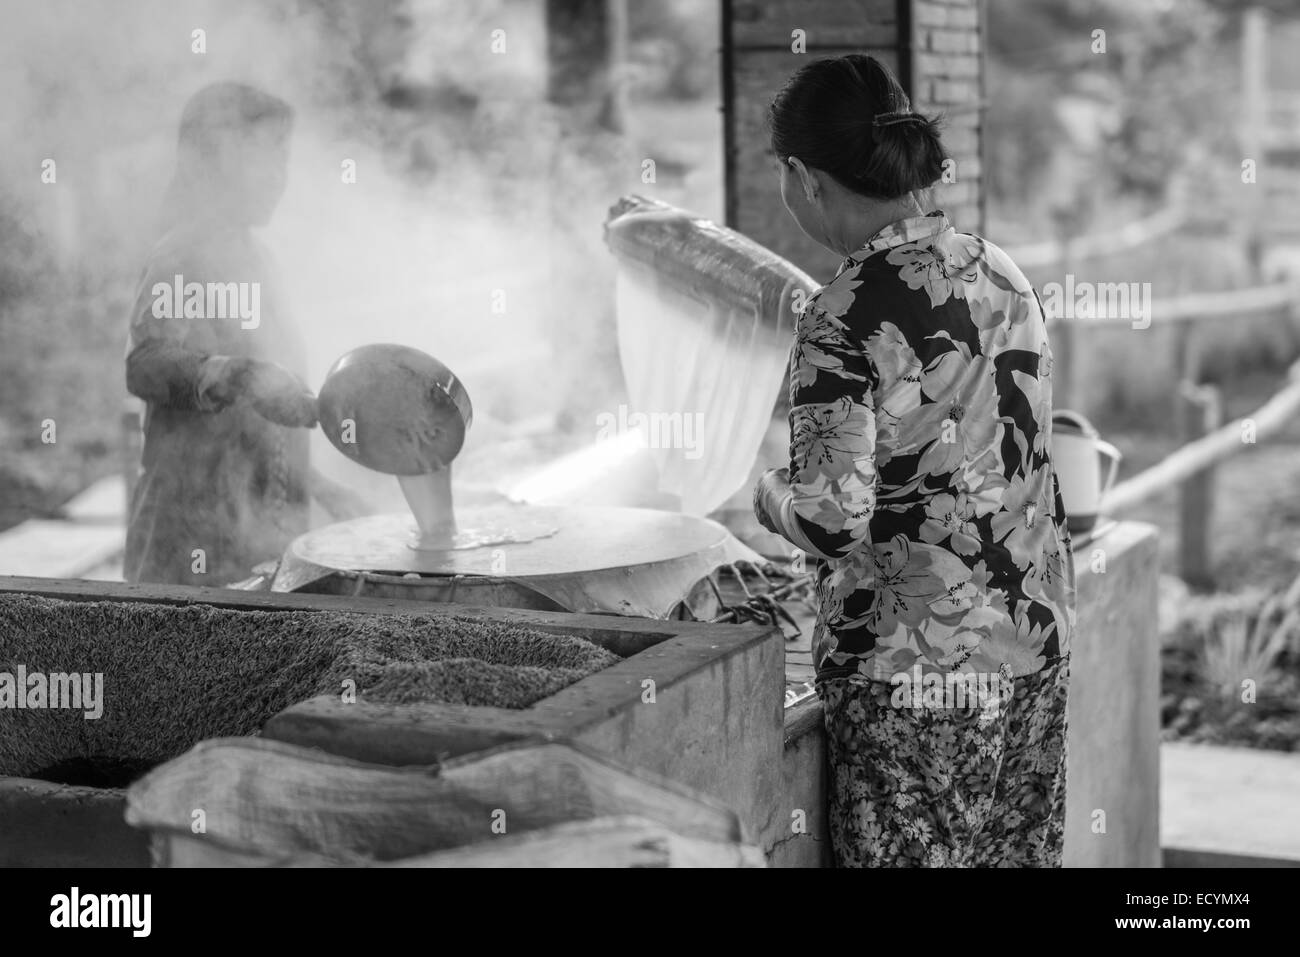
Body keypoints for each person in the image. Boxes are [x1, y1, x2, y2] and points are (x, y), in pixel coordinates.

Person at [753, 55, 1077, 867]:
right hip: (1033, 646)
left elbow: (832, 521)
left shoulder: (842, 313)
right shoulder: (1002, 273)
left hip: (913, 680)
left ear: (803, 175)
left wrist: (770, 500)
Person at [125, 82, 363, 586]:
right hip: (191, 556)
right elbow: (145, 364)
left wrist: (319, 486)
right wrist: (237, 373)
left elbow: (260, 426)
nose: (281, 177)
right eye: (267, 157)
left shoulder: (261, 261)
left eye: (285, 157)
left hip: (260, 551)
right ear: (215, 163)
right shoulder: (181, 258)